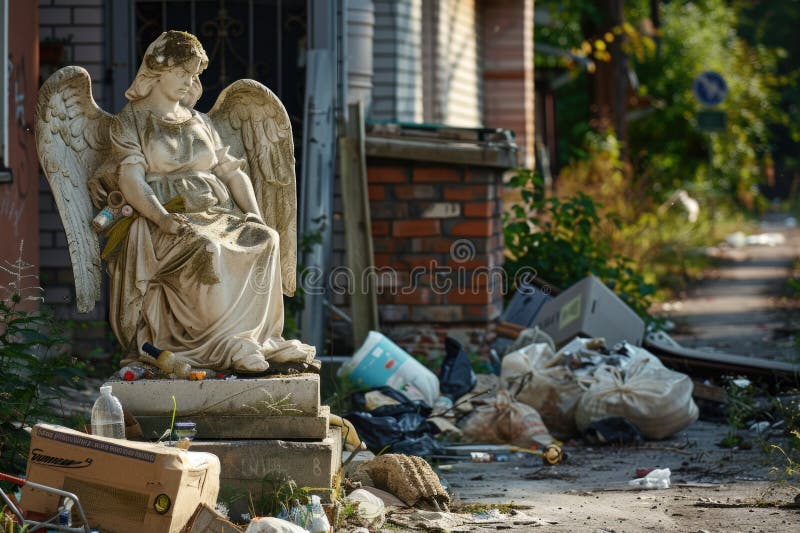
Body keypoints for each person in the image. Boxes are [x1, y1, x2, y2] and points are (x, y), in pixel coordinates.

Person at [98, 31, 315, 373]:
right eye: (183, 72)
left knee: (266, 239)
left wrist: (254, 214)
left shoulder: (201, 121)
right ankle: (224, 346)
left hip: (216, 215)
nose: (191, 82)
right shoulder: (132, 122)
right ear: (158, 70)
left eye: (195, 74)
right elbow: (131, 180)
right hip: (166, 223)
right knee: (208, 250)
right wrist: (161, 217)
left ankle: (256, 340)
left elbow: (232, 172)